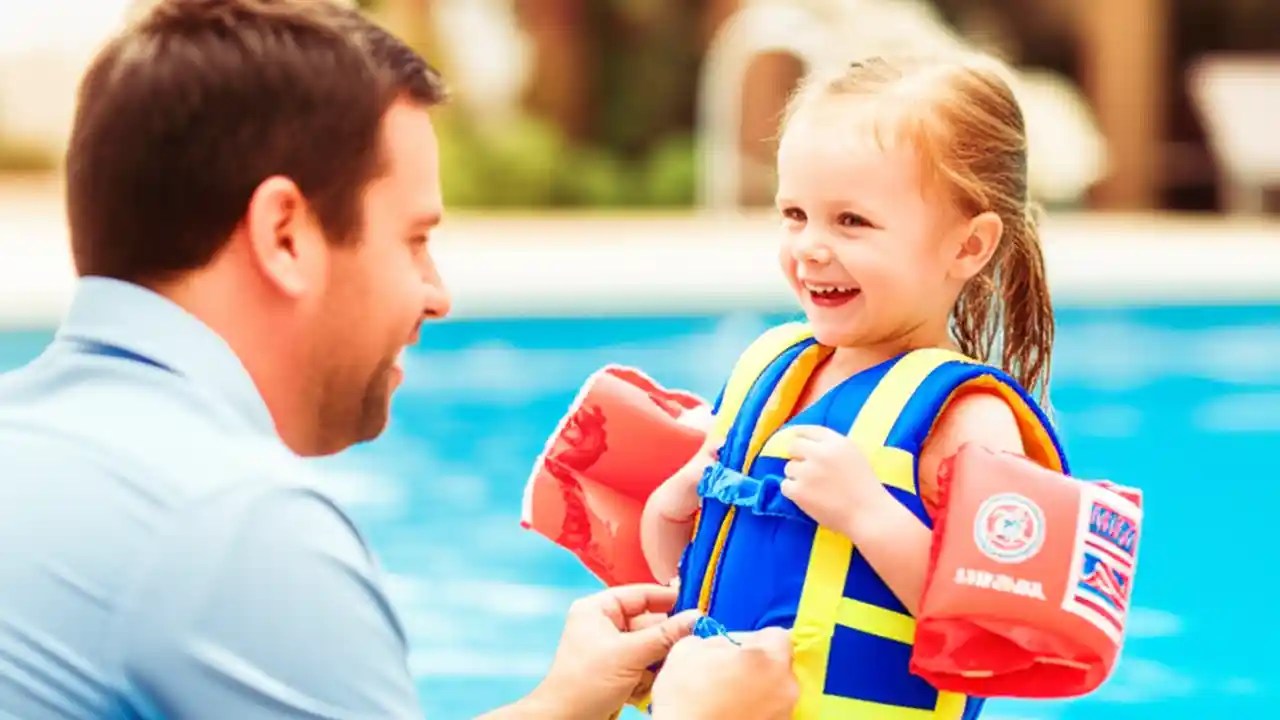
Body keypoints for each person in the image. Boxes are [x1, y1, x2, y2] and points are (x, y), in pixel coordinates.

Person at [0, 1, 798, 718]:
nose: (436, 292)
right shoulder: (236, 527)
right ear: (285, 235)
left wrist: (560, 706)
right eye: (413, 240)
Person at [641, 53, 1069, 719]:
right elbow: (700, 574)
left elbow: (1000, 632)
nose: (810, 246)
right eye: (794, 214)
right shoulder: (771, 371)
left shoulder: (968, 418)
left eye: (852, 222)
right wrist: (671, 513)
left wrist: (871, 516)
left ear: (968, 246)